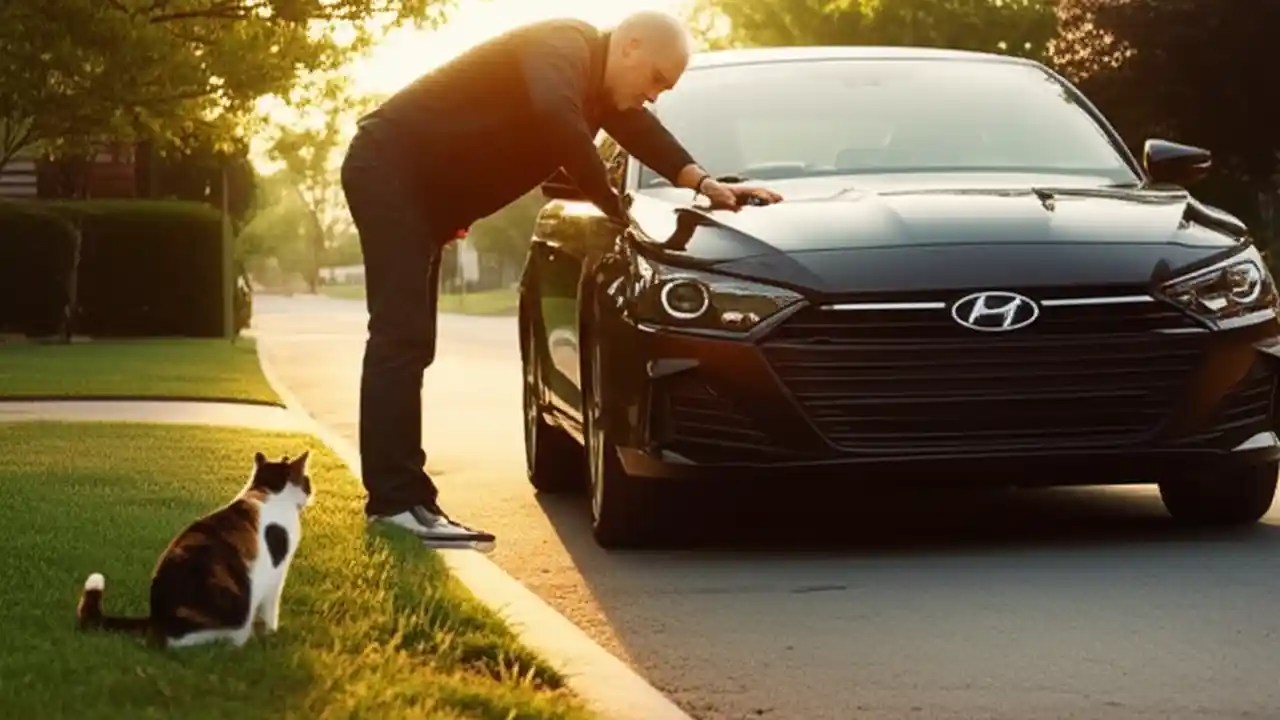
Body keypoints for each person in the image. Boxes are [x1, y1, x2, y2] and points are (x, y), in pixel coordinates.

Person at [340, 10, 783, 547]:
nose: (655, 95)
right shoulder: (563, 45)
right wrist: (617, 207)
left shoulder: (600, 89)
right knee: (400, 337)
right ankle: (394, 504)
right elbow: (557, 118)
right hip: (388, 169)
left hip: (419, 196)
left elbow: (641, 130)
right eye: (656, 80)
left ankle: (409, 501)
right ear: (630, 47)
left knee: (412, 341)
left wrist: (705, 183)